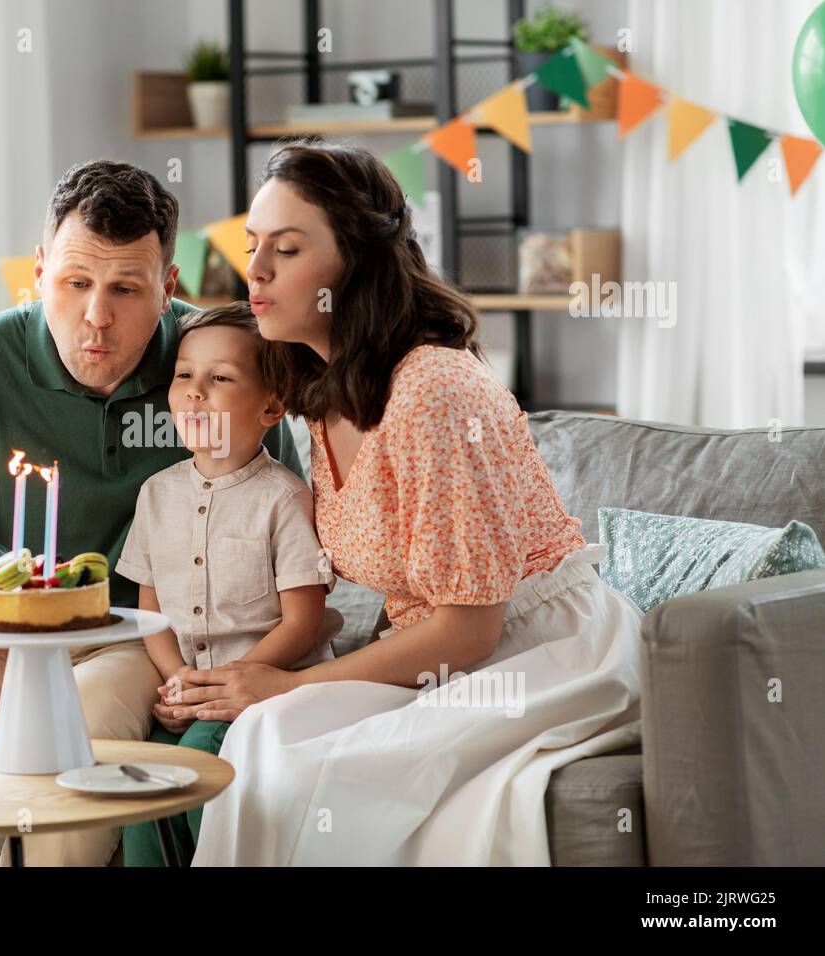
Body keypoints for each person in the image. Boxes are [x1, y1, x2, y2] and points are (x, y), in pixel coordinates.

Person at [170, 141, 645, 866]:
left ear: (353, 264)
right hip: (441, 656)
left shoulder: (434, 389)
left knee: (313, 769)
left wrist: (278, 680)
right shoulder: (317, 396)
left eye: (287, 250)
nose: (255, 271)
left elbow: (468, 632)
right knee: (265, 736)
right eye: (252, 245)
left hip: (544, 649)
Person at [0, 160, 304, 867]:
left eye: (126, 289)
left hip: (139, 635)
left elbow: (277, 529)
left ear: (167, 289)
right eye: (75, 284)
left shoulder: (219, 365)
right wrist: (20, 685)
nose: (97, 316)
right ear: (39, 273)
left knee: (86, 731)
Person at [113, 301, 342, 866]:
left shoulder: (284, 498)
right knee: (138, 785)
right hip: (192, 692)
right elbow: (150, 607)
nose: (194, 391)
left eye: (219, 378)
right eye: (184, 375)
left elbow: (303, 620)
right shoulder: (155, 494)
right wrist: (179, 683)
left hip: (267, 691)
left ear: (270, 405)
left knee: (196, 772)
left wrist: (226, 685)